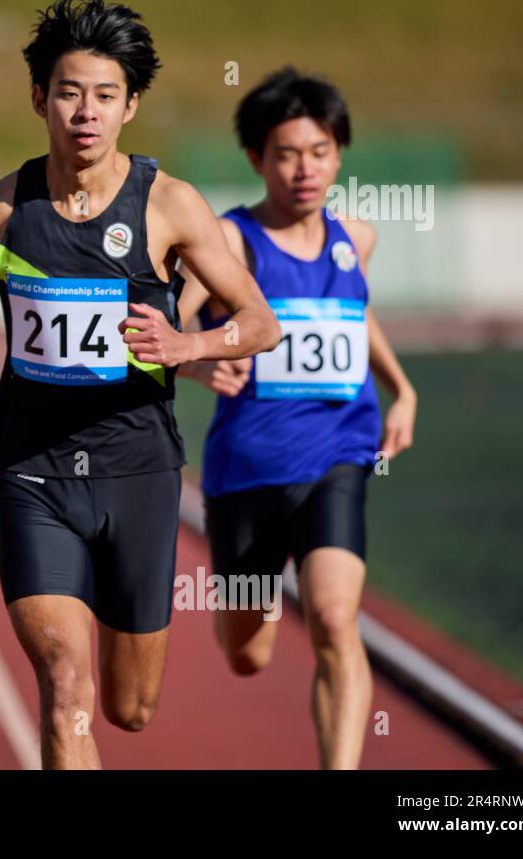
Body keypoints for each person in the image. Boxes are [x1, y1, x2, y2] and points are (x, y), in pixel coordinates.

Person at [0, 0, 278, 769]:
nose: (85, 113)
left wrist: (187, 343)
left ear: (130, 106)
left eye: (105, 95)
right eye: (68, 92)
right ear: (38, 98)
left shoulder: (169, 205)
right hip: (32, 472)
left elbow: (261, 322)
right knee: (64, 683)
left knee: (130, 708)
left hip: (139, 471)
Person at [176, 66, 417, 769]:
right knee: (247, 654)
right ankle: (248, 608)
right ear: (257, 158)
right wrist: (195, 364)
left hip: (339, 454)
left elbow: (354, 312)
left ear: (339, 154)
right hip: (247, 472)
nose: (305, 169)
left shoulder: (357, 239)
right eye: (286, 153)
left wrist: (402, 386)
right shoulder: (230, 241)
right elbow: (165, 330)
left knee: (337, 623)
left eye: (319, 152)